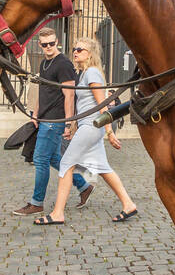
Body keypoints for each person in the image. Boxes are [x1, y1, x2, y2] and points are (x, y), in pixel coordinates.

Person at [35, 38, 138, 225]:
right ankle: (128, 204)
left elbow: (102, 105)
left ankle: (58, 213)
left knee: (66, 163)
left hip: (93, 126)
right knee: (102, 167)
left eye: (80, 49)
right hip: (87, 126)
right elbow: (83, 105)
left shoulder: (92, 73)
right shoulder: (82, 74)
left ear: (89, 54)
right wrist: (73, 126)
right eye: (74, 49)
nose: (75, 52)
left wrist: (109, 131)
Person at [13, 28, 92, 217]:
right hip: (45, 118)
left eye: (52, 43)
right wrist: (35, 114)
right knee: (55, 159)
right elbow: (42, 90)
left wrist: (68, 123)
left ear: (57, 42)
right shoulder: (44, 64)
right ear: (40, 45)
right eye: (45, 44)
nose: (49, 47)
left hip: (55, 120)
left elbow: (69, 94)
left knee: (40, 159)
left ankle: (37, 203)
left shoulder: (63, 64)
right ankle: (84, 186)